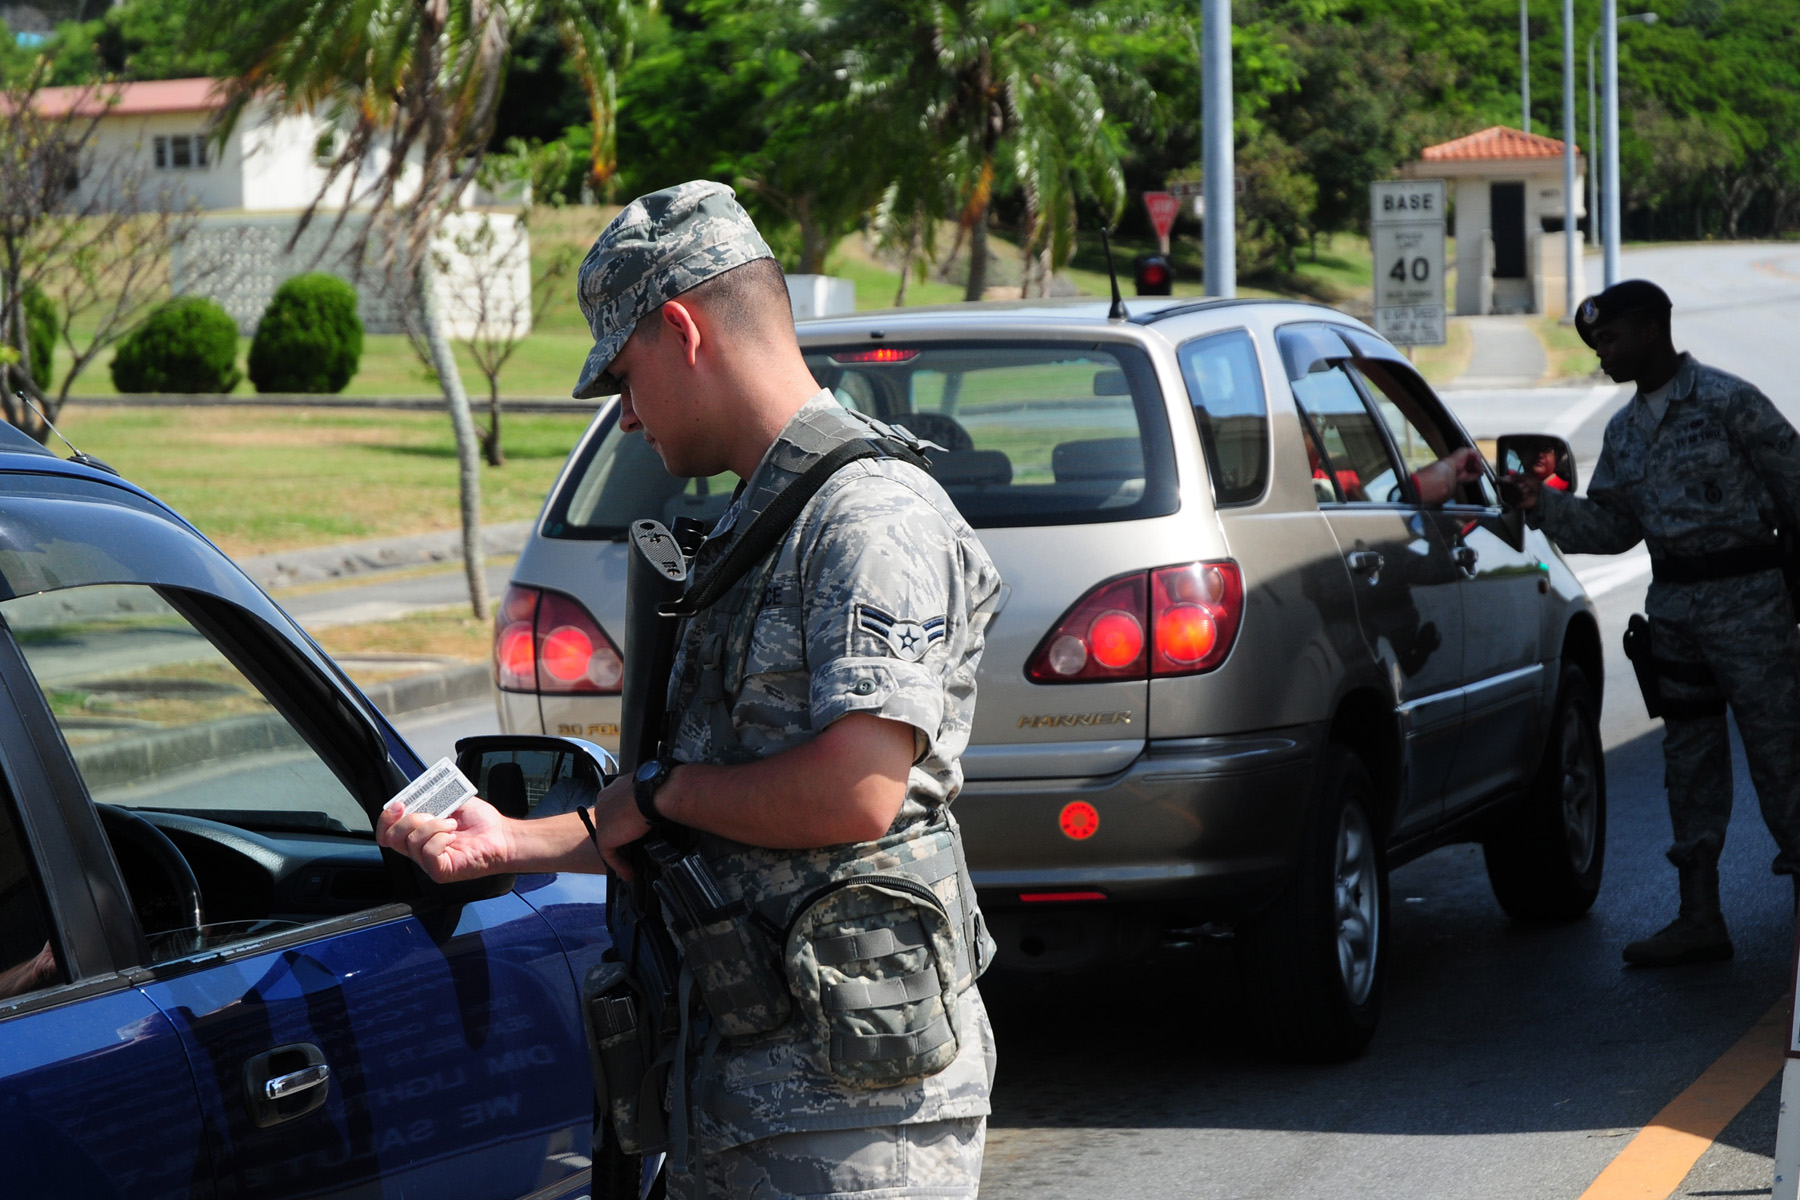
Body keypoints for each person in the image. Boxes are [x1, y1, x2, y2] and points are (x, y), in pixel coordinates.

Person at [378, 181, 1001, 1197]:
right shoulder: (769, 522)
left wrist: (659, 793)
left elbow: (855, 792)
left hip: (852, 1122)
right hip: (747, 1101)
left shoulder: (867, 519)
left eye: (625, 377)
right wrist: (513, 842)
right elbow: (705, 814)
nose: (627, 417)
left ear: (682, 329)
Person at [1512, 278, 1800, 967]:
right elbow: (1613, 526)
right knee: (1689, 761)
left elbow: (1795, 489)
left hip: (1752, 602)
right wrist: (1541, 506)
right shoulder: (1624, 431)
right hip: (1675, 613)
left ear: (1651, 329)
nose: (1602, 354)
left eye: (1610, 338)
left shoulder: (1731, 403)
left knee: (1781, 751)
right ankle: (1700, 915)